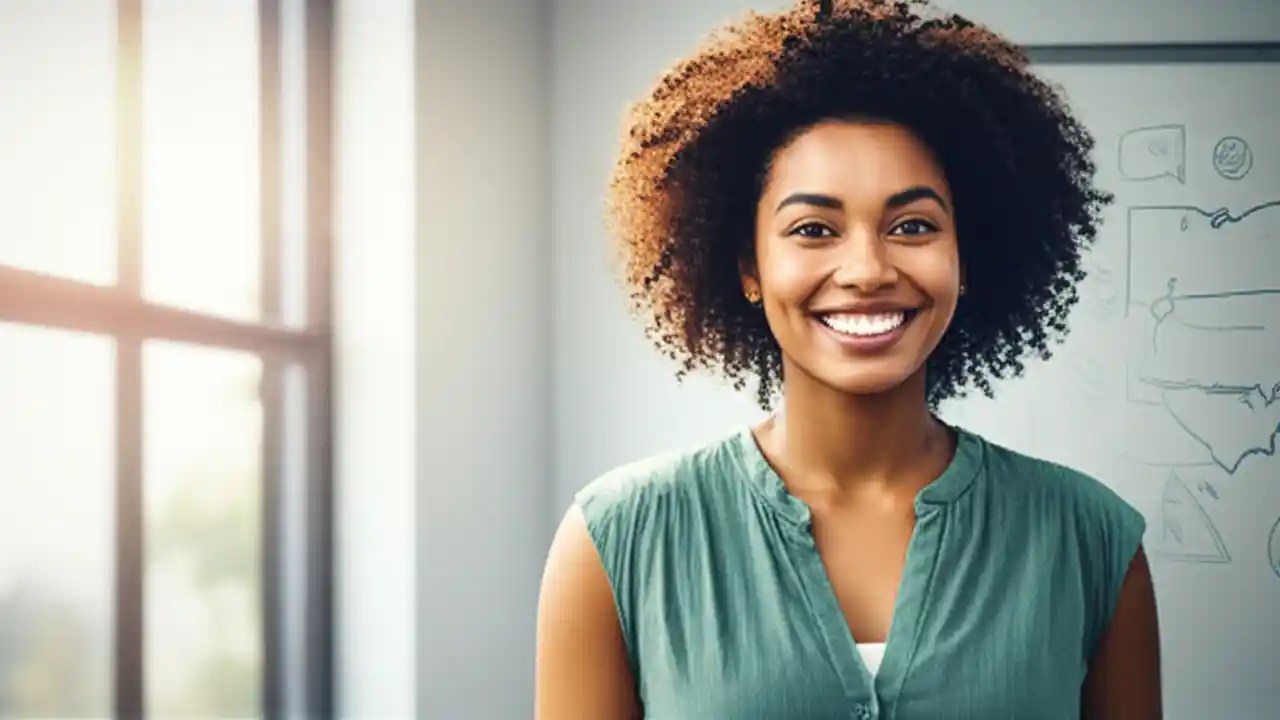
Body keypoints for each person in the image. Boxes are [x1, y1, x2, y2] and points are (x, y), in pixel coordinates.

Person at [535, 0, 1161, 717]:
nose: (866, 268)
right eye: (813, 228)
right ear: (747, 264)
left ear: (967, 259)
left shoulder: (1092, 543)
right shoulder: (617, 541)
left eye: (913, 225)